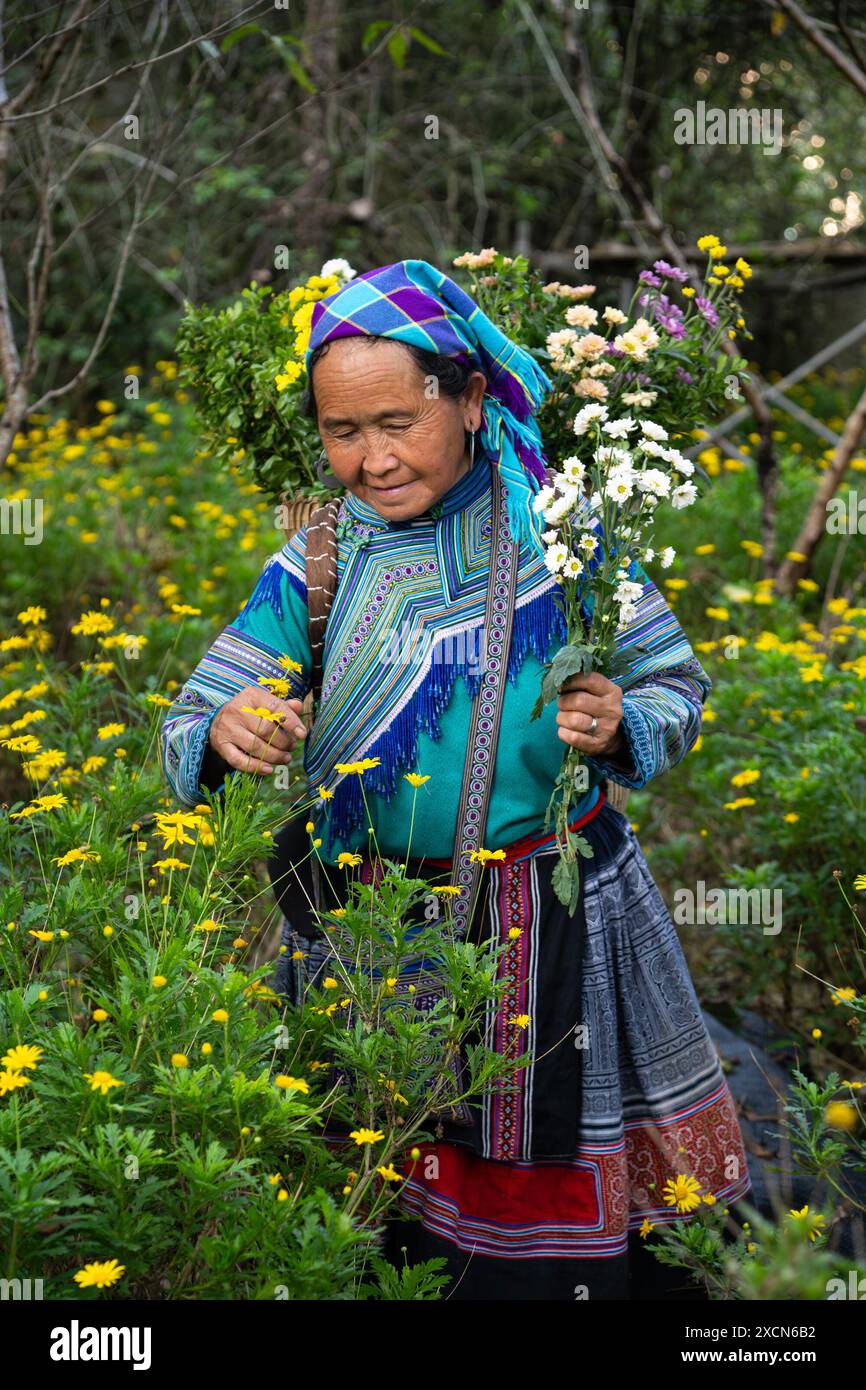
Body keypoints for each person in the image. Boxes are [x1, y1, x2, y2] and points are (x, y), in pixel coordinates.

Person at [160, 258, 752, 1301]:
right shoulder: (320, 559)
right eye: (341, 433)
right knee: (370, 1169)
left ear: (471, 400)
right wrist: (228, 731)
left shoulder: (564, 537)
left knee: (537, 1176)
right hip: (369, 923)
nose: (370, 459)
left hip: (545, 913)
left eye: (396, 421)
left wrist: (620, 723)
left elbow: (677, 686)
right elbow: (203, 705)